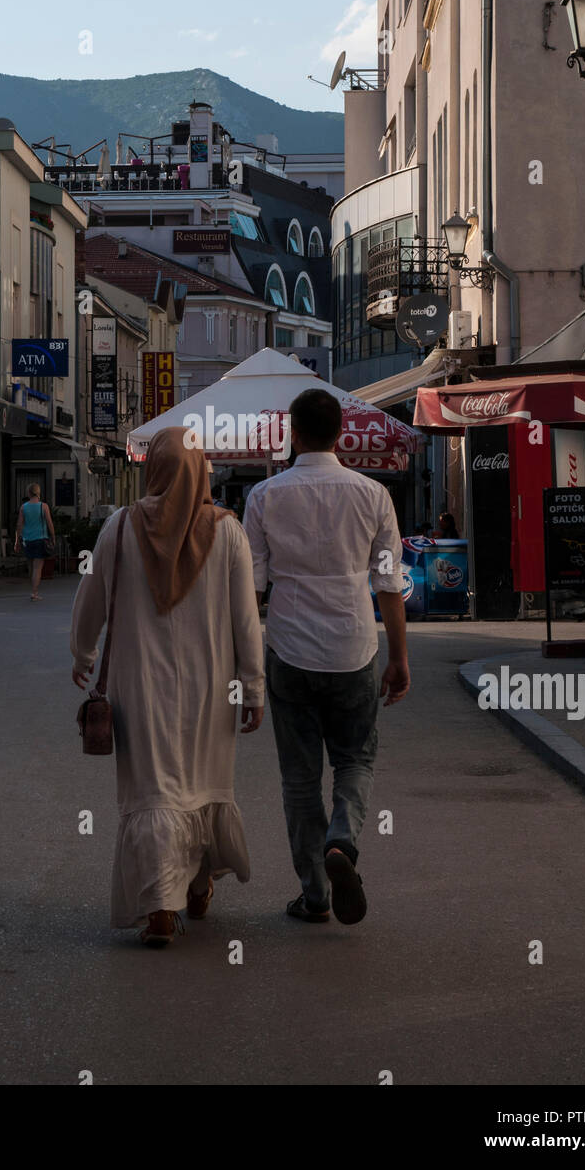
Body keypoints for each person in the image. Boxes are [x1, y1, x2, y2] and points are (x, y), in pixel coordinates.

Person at [70, 427, 264, 947]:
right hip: (211, 689)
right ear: (202, 470)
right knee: (200, 787)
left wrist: (83, 655)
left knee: (157, 792)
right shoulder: (228, 532)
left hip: (141, 689)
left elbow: (91, 602)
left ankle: (160, 907)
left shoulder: (119, 527)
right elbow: (247, 621)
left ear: (152, 468)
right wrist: (253, 687)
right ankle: (197, 886)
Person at [243, 388, 410, 927]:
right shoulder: (373, 495)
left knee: (298, 778)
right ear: (341, 432)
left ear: (293, 433)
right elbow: (388, 584)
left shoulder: (265, 496)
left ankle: (314, 892)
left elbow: (252, 591)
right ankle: (344, 836)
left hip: (288, 646)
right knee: (354, 760)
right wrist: (399, 657)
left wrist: (244, 667)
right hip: (354, 645)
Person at [15, 483, 55, 600]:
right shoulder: (43, 506)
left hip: (27, 540)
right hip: (40, 539)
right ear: (38, 493)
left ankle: (32, 588)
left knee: (30, 567)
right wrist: (53, 537)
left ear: (28, 493)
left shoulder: (23, 507)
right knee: (37, 568)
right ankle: (34, 592)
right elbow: (49, 523)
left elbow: (19, 524)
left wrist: (17, 541)